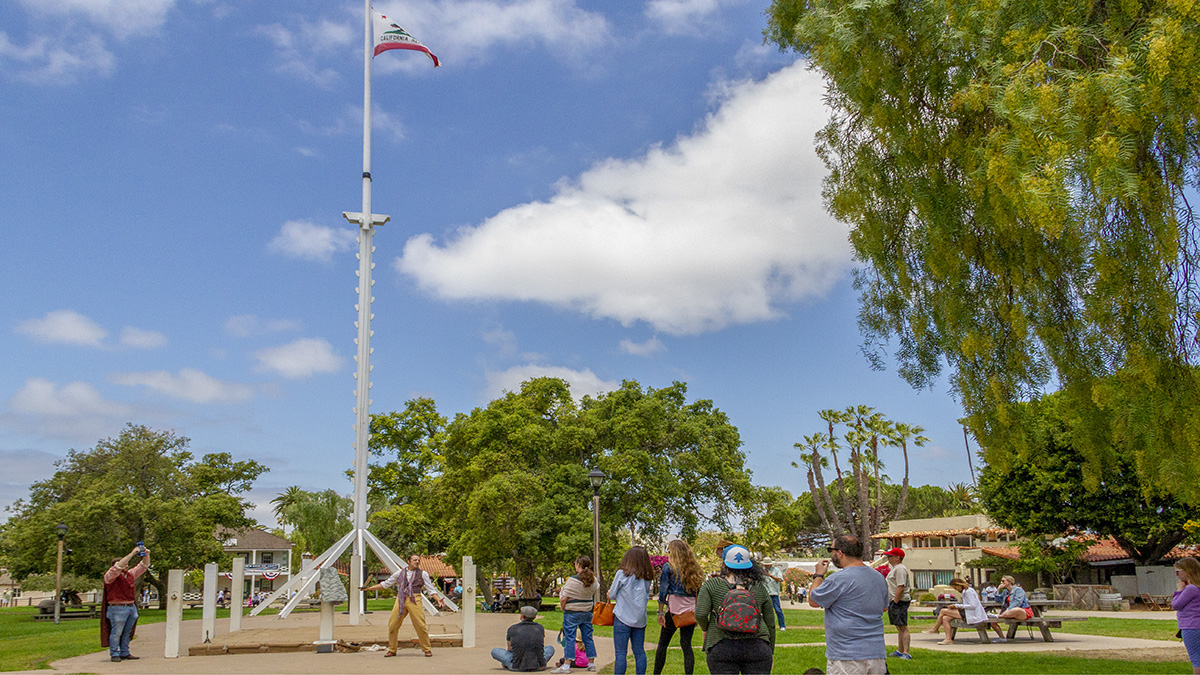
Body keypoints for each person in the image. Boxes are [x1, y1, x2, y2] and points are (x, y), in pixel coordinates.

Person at [808, 535, 889, 675]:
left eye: (831, 550)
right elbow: (884, 607)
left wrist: (818, 575)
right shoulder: (878, 577)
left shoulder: (838, 579)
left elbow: (813, 600)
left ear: (840, 552)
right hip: (876, 653)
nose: (831, 554)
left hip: (846, 655)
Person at [695, 544, 775, 674]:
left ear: (724, 563)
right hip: (757, 645)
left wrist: (706, 628)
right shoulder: (759, 587)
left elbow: (700, 614)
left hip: (721, 644)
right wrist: (770, 650)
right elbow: (770, 621)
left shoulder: (712, 585)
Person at [360, 553, 446, 658]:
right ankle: (392, 649)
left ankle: (426, 649)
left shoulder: (423, 574)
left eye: (418, 560)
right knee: (393, 624)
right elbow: (386, 584)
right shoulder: (399, 573)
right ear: (408, 561)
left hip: (415, 598)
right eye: (415, 560)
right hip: (401, 599)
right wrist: (369, 589)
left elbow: (430, 590)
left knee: (420, 625)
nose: (417, 562)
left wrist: (438, 600)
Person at [654, 539, 705, 675]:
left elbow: (663, 592)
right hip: (689, 612)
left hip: (673, 611)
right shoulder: (694, 569)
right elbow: (698, 593)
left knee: (663, 644)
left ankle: (656, 673)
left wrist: (660, 612)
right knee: (686, 646)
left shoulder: (668, 567)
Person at [608, 546, 655, 675]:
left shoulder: (622, 574)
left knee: (621, 653)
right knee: (639, 652)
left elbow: (612, 594)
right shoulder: (647, 577)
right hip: (640, 619)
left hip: (623, 616)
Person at [103, 545, 150, 663]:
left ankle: (125, 651)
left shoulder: (129, 575)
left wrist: (146, 555)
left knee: (127, 632)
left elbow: (143, 566)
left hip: (130, 606)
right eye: (125, 563)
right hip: (117, 607)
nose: (127, 565)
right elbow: (118, 566)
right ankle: (114, 653)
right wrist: (132, 553)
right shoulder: (111, 576)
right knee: (116, 632)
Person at [553, 555, 600, 673]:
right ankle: (591, 663)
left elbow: (564, 597)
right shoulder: (593, 580)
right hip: (587, 611)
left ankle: (566, 665)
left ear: (578, 565)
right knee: (588, 637)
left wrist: (563, 608)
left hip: (572, 612)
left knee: (570, 637)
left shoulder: (573, 580)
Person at [926, 578, 1006, 644]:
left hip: (972, 614)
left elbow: (973, 605)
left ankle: (935, 629)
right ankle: (948, 638)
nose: (956, 590)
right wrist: (956, 607)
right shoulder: (966, 592)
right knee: (945, 618)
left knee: (943, 611)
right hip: (967, 612)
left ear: (959, 585)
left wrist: (957, 606)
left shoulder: (968, 592)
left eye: (955, 588)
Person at [492, 605, 556, 671]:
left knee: (495, 651)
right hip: (537, 664)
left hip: (517, 665)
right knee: (550, 648)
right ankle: (541, 664)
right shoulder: (540, 628)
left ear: (522, 616)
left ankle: (509, 664)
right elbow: (540, 645)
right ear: (534, 617)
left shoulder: (512, 628)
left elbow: (510, 648)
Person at [880, 547, 912, 659]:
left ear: (897, 557)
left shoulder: (900, 569)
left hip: (900, 601)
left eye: (890, 556)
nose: (888, 558)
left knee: (903, 626)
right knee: (899, 626)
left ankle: (906, 652)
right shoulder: (895, 568)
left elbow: (901, 586)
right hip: (895, 601)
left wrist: (895, 601)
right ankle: (900, 650)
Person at [1173, 557, 1200, 674]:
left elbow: (1176, 605)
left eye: (1178, 572)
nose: (1177, 575)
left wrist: (1179, 590)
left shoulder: (1190, 588)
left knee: (1196, 660)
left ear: (1187, 571)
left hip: (1191, 627)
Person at [761, 557, 788, 632]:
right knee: (763, 611)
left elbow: (780, 579)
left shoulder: (776, 570)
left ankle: (782, 625)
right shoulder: (761, 571)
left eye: (768, 565)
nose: (767, 566)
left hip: (774, 593)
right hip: (765, 593)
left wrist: (770, 575)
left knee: (778, 610)